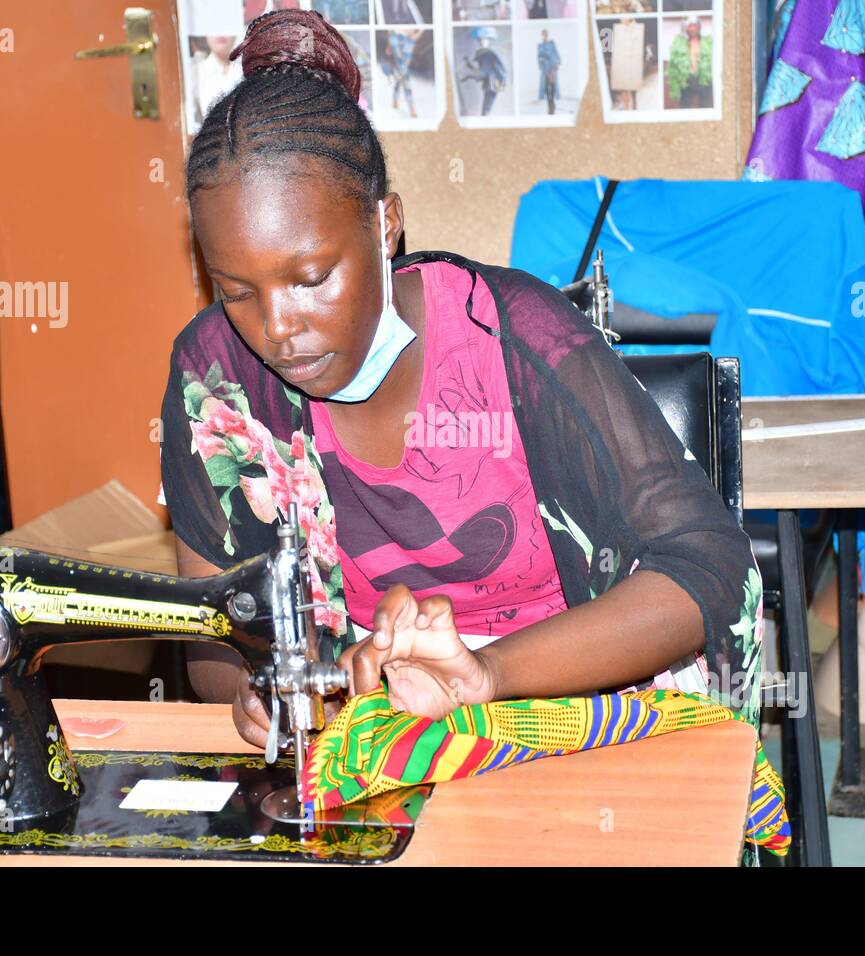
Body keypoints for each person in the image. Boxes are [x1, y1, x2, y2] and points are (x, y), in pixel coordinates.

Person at [163, 8, 763, 748]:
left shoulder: (517, 338)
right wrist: (258, 688)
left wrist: (486, 674)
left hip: (565, 709)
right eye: (236, 291)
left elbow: (710, 566)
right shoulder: (214, 376)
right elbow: (212, 634)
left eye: (312, 278)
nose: (278, 326)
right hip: (375, 738)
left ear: (384, 226)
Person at [536, 29, 561, 114]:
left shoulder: (552, 43)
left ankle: (553, 103)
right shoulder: (540, 45)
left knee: (553, 83)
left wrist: (558, 62)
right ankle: (549, 103)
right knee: (545, 84)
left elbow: (556, 52)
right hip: (545, 66)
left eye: (545, 34)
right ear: (541, 35)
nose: (544, 35)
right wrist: (540, 63)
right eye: (543, 34)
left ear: (547, 35)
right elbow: (539, 56)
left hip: (552, 65)